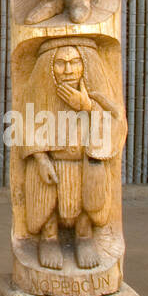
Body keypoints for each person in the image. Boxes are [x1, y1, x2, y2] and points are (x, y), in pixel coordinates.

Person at [20, 38, 124, 270]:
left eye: (75, 62)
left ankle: (84, 235)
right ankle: (49, 237)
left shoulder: (97, 93)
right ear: (49, 67)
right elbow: (25, 124)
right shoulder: (39, 92)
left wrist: (87, 106)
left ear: (85, 64)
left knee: (91, 186)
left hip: (84, 163)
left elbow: (117, 121)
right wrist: (41, 158)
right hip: (53, 163)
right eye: (60, 63)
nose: (68, 70)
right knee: (41, 182)